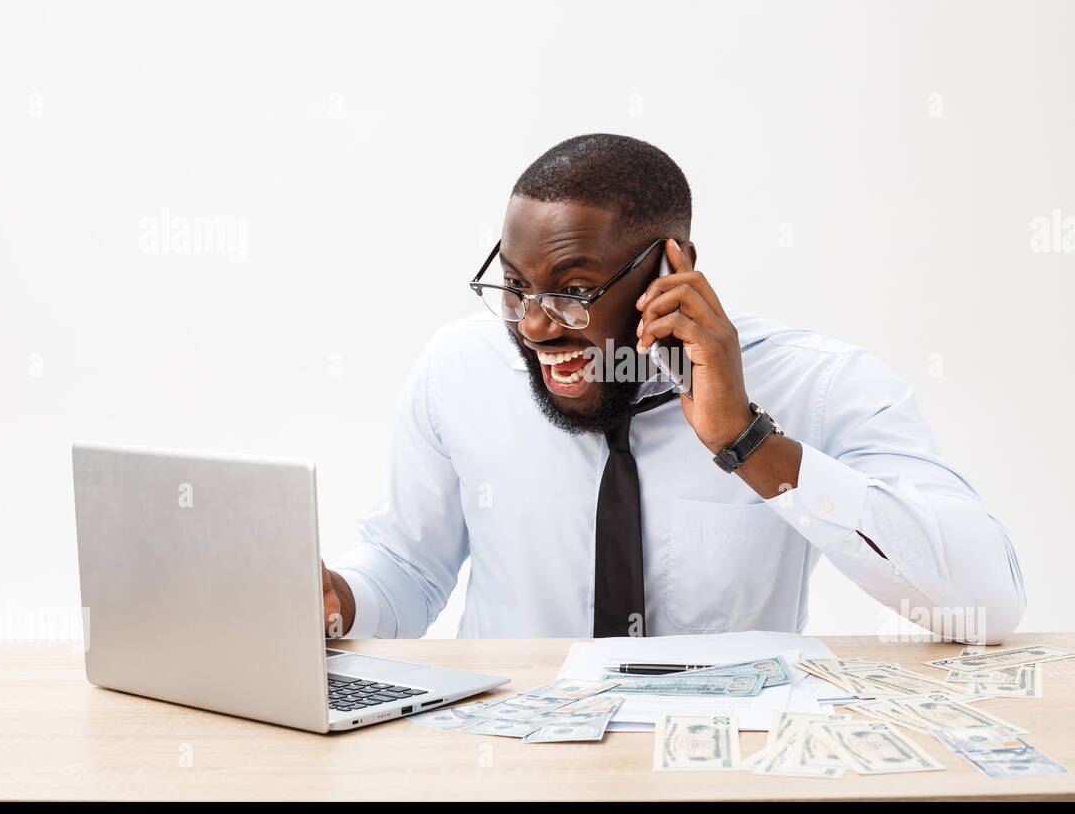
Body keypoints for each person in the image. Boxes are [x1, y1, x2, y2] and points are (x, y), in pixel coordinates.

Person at [320, 133, 1025, 644]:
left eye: (573, 291)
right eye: (514, 285)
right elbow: (407, 568)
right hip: (508, 763)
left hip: (716, 771)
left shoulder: (818, 383)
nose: (534, 325)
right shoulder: (457, 370)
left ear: (669, 267)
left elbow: (986, 603)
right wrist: (339, 601)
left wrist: (749, 442)